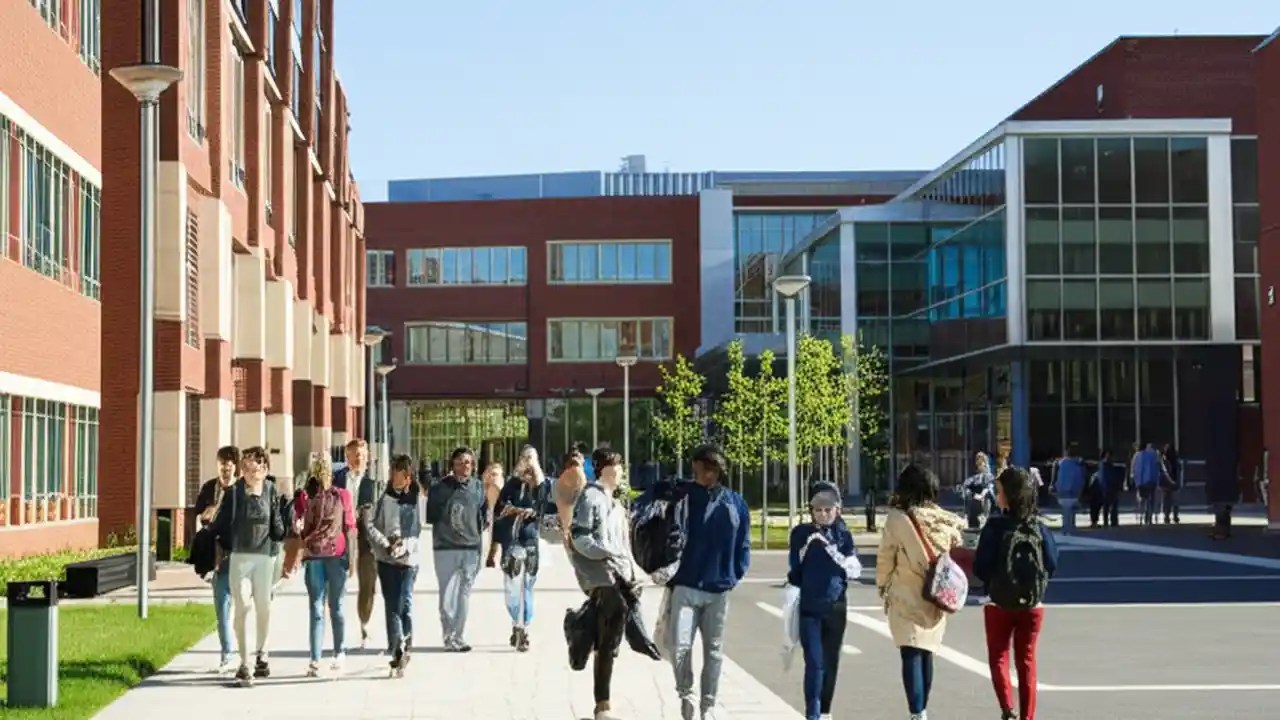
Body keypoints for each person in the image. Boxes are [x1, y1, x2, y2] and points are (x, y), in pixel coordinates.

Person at [665, 444, 751, 720]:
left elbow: (743, 544)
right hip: (685, 585)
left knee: (713, 651)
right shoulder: (684, 496)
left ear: (715, 471)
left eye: (701, 469)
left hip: (718, 589)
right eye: (695, 468)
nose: (697, 473)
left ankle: (708, 705)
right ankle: (686, 695)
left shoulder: (735, 503)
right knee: (679, 646)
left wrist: (735, 574)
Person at [875, 464, 965, 720]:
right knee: (927, 653)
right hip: (936, 595)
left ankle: (917, 712)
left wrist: (883, 585)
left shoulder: (897, 519)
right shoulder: (944, 521)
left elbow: (885, 557)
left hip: (906, 594)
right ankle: (921, 708)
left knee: (910, 652)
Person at [975, 467, 1060, 720]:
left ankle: (1007, 709)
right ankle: (1028, 716)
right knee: (1027, 661)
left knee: (998, 656)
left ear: (1008, 495)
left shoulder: (995, 526)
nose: (997, 496)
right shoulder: (1038, 526)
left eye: (999, 491)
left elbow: (981, 567)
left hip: (998, 602)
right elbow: (1052, 562)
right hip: (1032, 603)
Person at [567, 448, 637, 720]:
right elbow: (580, 537)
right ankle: (602, 702)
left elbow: (623, 544)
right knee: (612, 621)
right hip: (599, 576)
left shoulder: (616, 503)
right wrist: (605, 552)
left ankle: (602, 701)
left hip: (616, 575)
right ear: (606, 469)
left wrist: (630, 572)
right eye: (619, 468)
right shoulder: (591, 497)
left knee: (609, 639)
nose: (621, 473)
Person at [210, 446, 286, 686]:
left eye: (253, 467)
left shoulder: (271, 490)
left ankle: (261, 652)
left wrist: (286, 523)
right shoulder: (234, 493)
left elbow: (278, 529)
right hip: (240, 558)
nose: (248, 471)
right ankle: (244, 663)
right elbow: (221, 525)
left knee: (264, 608)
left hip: (264, 559)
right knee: (242, 607)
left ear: (264, 468)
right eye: (245, 467)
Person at [787, 485, 860, 720]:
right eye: (819, 509)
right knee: (815, 663)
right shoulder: (801, 534)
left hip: (836, 605)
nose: (824, 514)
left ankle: (826, 711)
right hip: (810, 606)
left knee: (831, 662)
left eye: (829, 509)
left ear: (837, 509)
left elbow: (853, 567)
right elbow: (795, 570)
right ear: (811, 509)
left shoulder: (843, 533)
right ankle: (813, 713)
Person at [363, 453, 423, 673]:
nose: (393, 477)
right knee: (392, 604)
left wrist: (404, 545)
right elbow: (370, 526)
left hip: (408, 560)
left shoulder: (417, 500)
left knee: (405, 601)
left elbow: (417, 529)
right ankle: (396, 647)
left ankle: (406, 643)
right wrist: (386, 544)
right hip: (386, 559)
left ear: (407, 477)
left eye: (397, 473)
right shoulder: (383, 498)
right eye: (392, 472)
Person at [297, 453, 356, 677]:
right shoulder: (337, 496)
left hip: (320, 556)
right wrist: (352, 560)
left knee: (320, 608)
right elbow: (350, 527)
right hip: (333, 555)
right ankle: (330, 654)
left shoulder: (316, 496)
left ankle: (320, 657)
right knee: (332, 607)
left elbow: (350, 526)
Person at [424, 446, 488, 652]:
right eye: (459, 463)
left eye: (468, 462)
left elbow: (483, 517)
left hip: (471, 548)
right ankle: (448, 634)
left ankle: (458, 635)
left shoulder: (478, 487)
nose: (464, 466)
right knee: (447, 595)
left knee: (464, 594)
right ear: (452, 465)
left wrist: (482, 547)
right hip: (445, 548)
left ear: (474, 465)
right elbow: (431, 517)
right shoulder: (440, 488)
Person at [494, 446, 555, 651]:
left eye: (532, 458)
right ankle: (516, 622)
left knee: (527, 586)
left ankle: (523, 627)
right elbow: (500, 508)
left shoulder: (542, 485)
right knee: (512, 585)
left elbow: (542, 508)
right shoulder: (512, 484)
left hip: (530, 541)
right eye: (525, 458)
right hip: (511, 540)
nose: (528, 463)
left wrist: (534, 472)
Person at [193, 445, 240, 674]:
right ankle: (227, 654)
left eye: (229, 464)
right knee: (222, 607)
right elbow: (198, 516)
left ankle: (249, 652)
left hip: (240, 556)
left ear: (235, 467)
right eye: (222, 463)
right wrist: (207, 514)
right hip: (218, 558)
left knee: (240, 608)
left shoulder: (242, 490)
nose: (225, 468)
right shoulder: (209, 489)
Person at [333, 439, 381, 650]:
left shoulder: (376, 483)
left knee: (368, 585)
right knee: (336, 586)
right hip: (340, 538)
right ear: (347, 456)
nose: (359, 458)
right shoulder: (336, 480)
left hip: (366, 541)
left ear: (368, 457)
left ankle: (365, 623)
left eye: (362, 454)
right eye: (355, 454)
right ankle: (339, 631)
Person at [1051, 443, 1086, 535]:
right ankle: (1071, 529)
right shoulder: (1079, 463)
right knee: (1071, 512)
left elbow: (1056, 476)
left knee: (1066, 512)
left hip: (1063, 491)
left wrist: (1054, 486)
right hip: (1075, 491)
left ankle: (1066, 530)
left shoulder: (1061, 463)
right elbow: (1082, 478)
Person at [1132, 442, 1162, 526]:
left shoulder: (1137, 456)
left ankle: (1142, 515)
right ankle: (1149, 516)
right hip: (1152, 481)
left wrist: (1135, 480)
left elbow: (1135, 469)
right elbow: (1157, 468)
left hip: (1141, 482)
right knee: (1151, 499)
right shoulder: (1153, 455)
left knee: (1142, 499)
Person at [483, 462, 505, 567]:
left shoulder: (500, 485)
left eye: (495, 474)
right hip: (490, 509)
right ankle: (491, 558)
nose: (492, 477)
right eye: (490, 474)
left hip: (500, 509)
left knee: (498, 535)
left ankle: (492, 557)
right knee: (494, 535)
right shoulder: (486, 485)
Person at [1162, 444, 1182, 524]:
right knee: (1175, 501)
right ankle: (1175, 516)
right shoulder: (1176, 461)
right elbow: (1179, 471)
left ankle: (1166, 516)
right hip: (1175, 483)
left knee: (1166, 500)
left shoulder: (1164, 461)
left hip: (1166, 483)